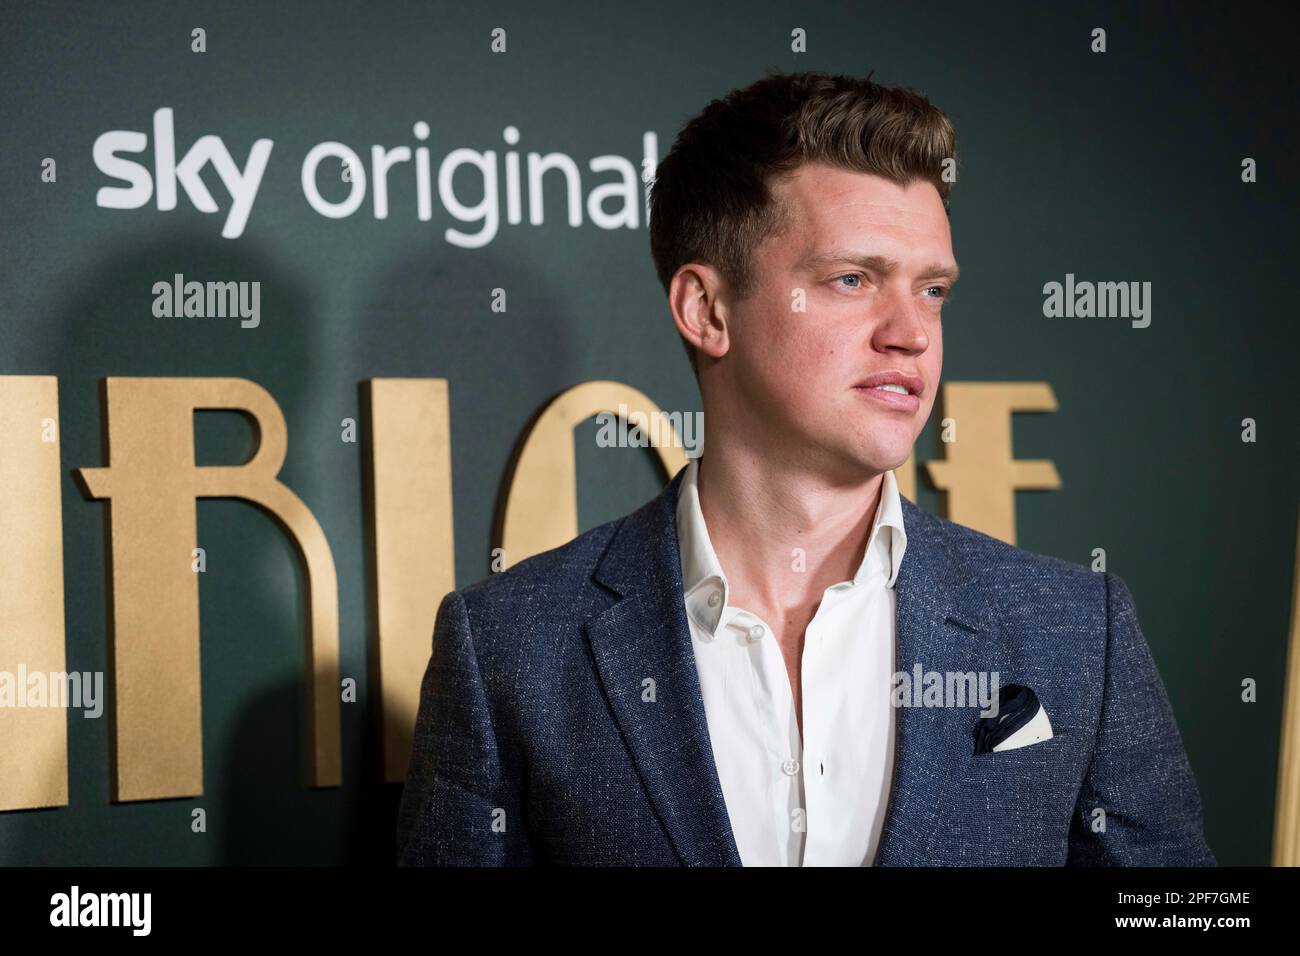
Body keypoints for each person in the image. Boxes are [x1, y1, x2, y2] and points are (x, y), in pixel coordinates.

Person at [396, 70, 1214, 866]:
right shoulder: (511, 646)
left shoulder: (1075, 632)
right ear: (707, 310)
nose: (911, 334)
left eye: (932, 290)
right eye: (853, 279)